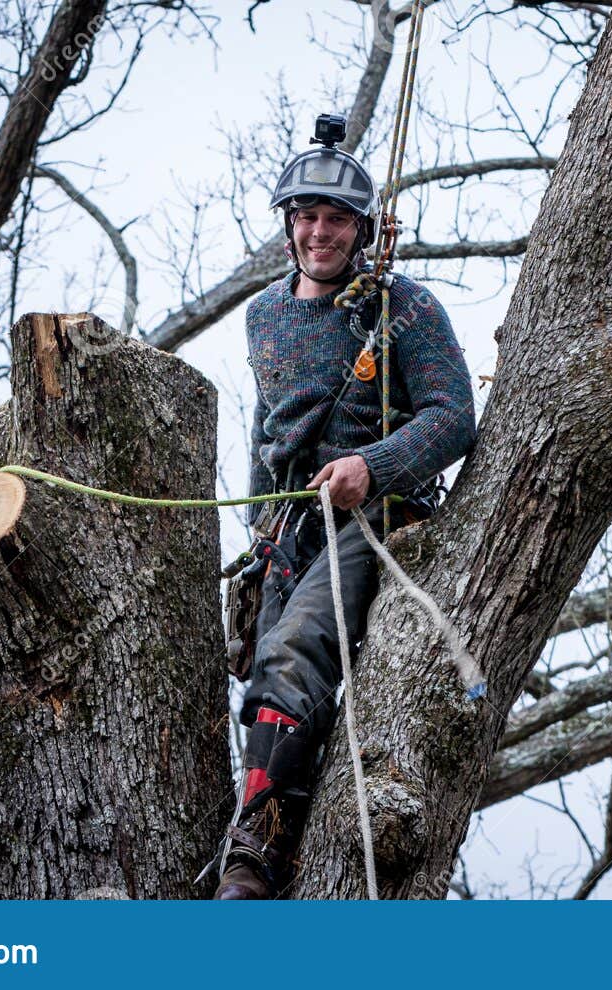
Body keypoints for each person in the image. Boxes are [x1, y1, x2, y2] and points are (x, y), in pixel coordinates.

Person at [213, 114, 477, 899]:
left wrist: (375, 465)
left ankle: (247, 855)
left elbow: (454, 415)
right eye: (306, 218)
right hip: (290, 529)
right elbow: (269, 431)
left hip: (377, 521)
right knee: (266, 680)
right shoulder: (263, 316)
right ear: (289, 225)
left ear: (361, 228)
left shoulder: (403, 307)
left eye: (334, 219)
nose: (319, 232)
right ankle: (276, 831)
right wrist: (260, 533)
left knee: (296, 648)